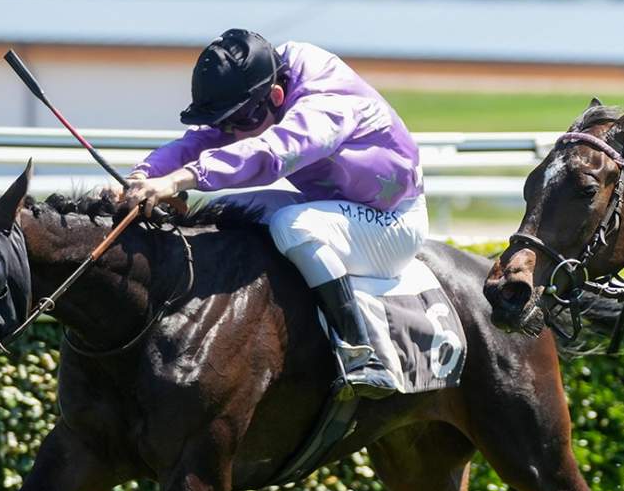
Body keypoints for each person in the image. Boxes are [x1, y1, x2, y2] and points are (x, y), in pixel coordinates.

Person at [121, 29, 429, 399]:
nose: (232, 133)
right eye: (224, 124)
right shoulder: (260, 84)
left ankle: (361, 355)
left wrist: (182, 180)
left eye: (240, 122)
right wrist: (143, 176)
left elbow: (272, 152)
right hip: (340, 208)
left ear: (276, 96)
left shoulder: (326, 103)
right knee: (232, 210)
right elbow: (199, 141)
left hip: (394, 223)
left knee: (292, 226)